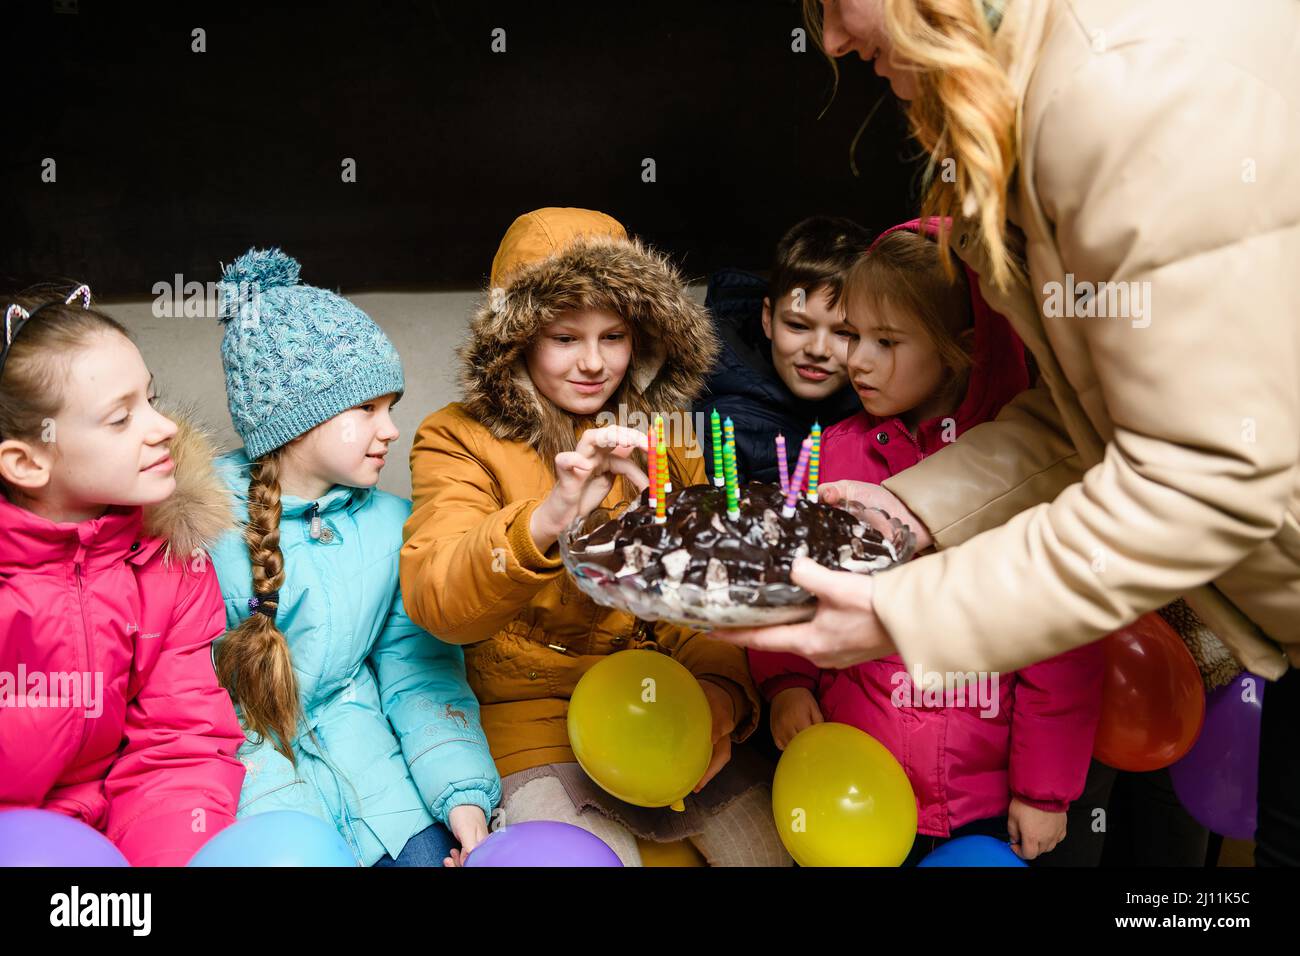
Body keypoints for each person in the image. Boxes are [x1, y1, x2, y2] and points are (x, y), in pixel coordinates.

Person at [718, 0, 1300, 866]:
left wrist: (906, 610)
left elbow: (1202, 474)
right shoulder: (1060, 92)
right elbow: (1092, 421)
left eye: (834, 2)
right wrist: (909, 511)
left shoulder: (1117, 90)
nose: (831, 38)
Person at [208, 249, 499, 868]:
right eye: (366, 408)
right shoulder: (200, 530)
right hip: (259, 790)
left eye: (391, 407)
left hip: (381, 787)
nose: (390, 429)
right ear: (293, 419)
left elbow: (418, 673)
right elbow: (194, 714)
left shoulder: (393, 525)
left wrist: (462, 796)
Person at [0, 284, 245, 865]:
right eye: (120, 418)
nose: (164, 428)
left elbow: (178, 744)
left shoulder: (172, 560)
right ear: (26, 463)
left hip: (111, 833)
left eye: (151, 399)